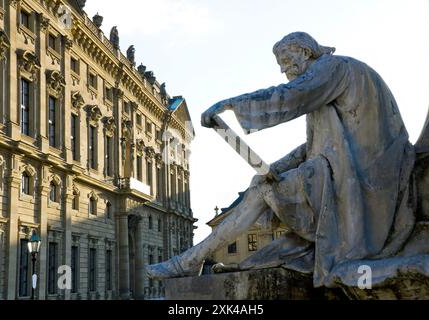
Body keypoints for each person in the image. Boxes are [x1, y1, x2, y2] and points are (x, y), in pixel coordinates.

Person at [146, 32, 415, 287]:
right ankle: (205, 260)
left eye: (286, 61)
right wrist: (275, 167)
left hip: (365, 182)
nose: (283, 71)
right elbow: (314, 146)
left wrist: (228, 105)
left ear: (306, 52)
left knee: (264, 189)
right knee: (264, 184)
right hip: (363, 175)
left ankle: (191, 260)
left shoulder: (333, 68)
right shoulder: (338, 78)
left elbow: (290, 96)